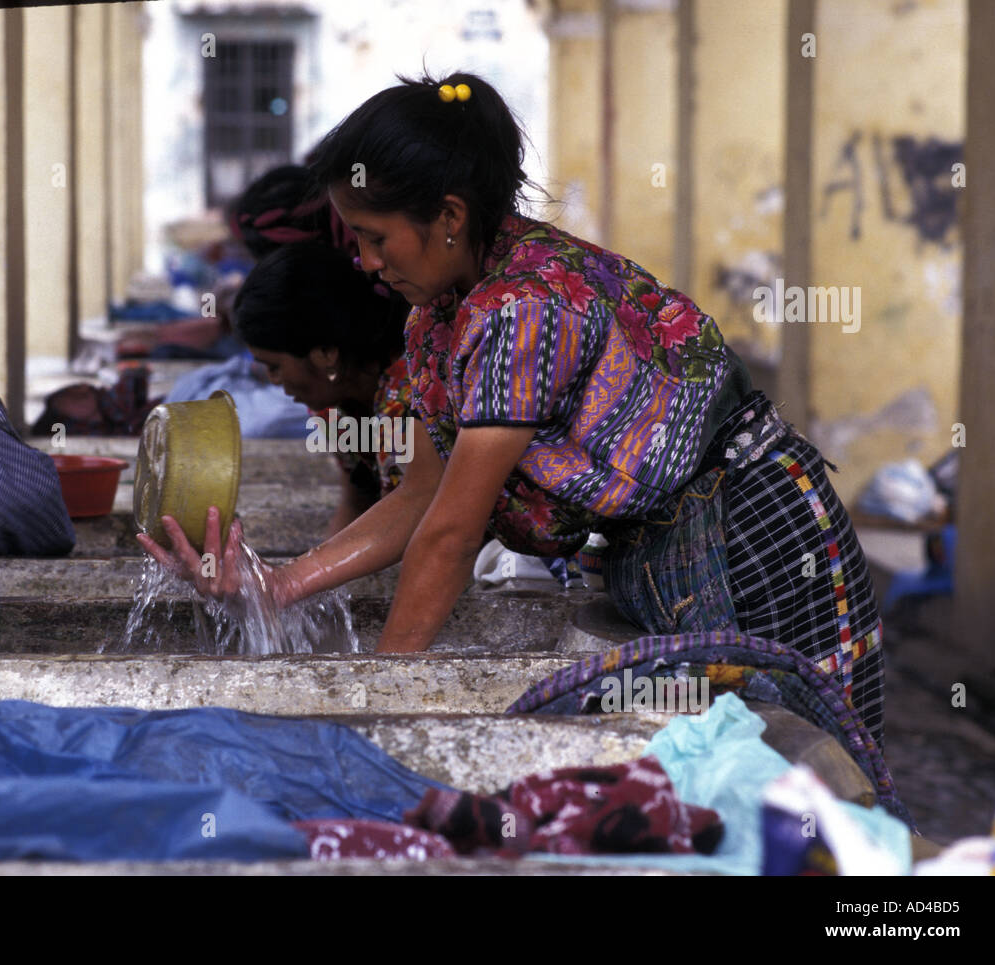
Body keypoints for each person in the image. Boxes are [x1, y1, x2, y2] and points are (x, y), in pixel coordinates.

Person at [139, 72, 887, 750]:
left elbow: (453, 533)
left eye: (374, 237)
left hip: (751, 536)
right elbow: (425, 496)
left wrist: (375, 715)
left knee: (806, 770)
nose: (364, 262)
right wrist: (277, 583)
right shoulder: (442, 312)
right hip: (669, 546)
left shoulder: (523, 308)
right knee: (725, 762)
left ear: (450, 215)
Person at [232, 241, 414, 534]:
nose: (274, 380)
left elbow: (417, 526)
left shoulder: (409, 400)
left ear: (327, 352)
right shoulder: (337, 411)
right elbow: (358, 505)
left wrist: (293, 578)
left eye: (275, 366)